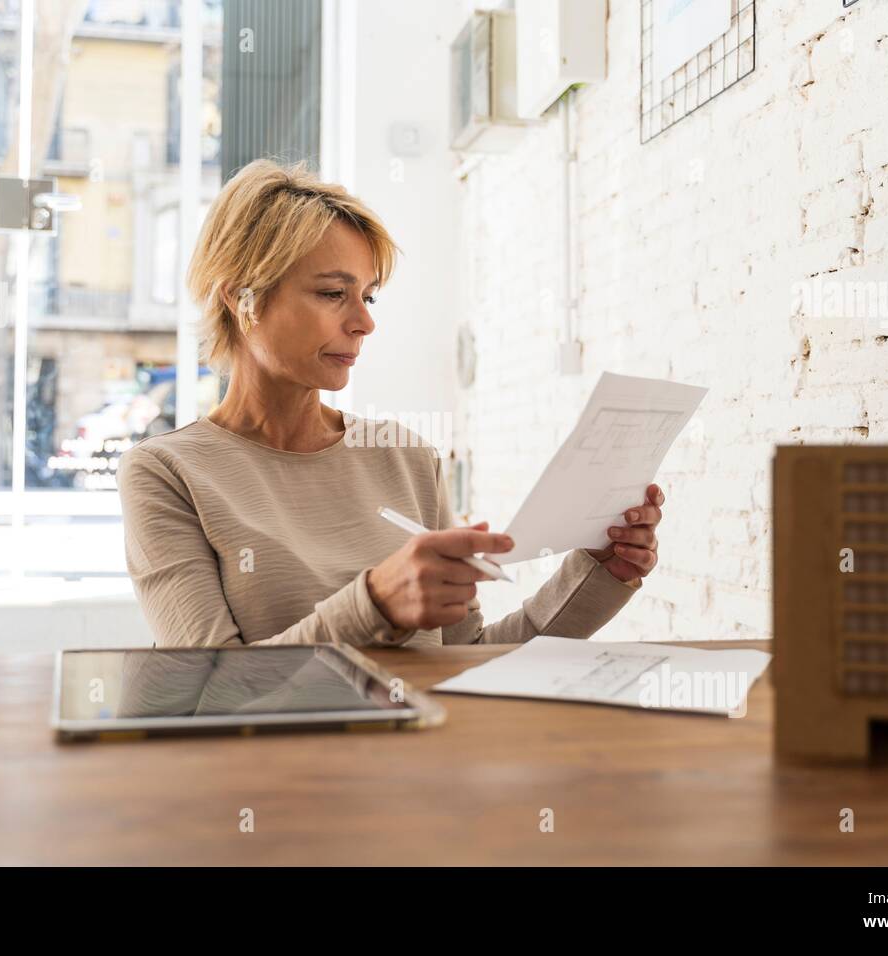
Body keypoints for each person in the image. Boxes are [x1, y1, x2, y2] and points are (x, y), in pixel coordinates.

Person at [118, 160, 665, 648]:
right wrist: (376, 602)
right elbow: (213, 692)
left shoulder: (405, 458)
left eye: (369, 295)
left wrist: (597, 572)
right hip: (281, 766)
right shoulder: (167, 473)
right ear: (241, 300)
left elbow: (467, 659)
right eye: (333, 294)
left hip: (427, 759)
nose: (364, 322)